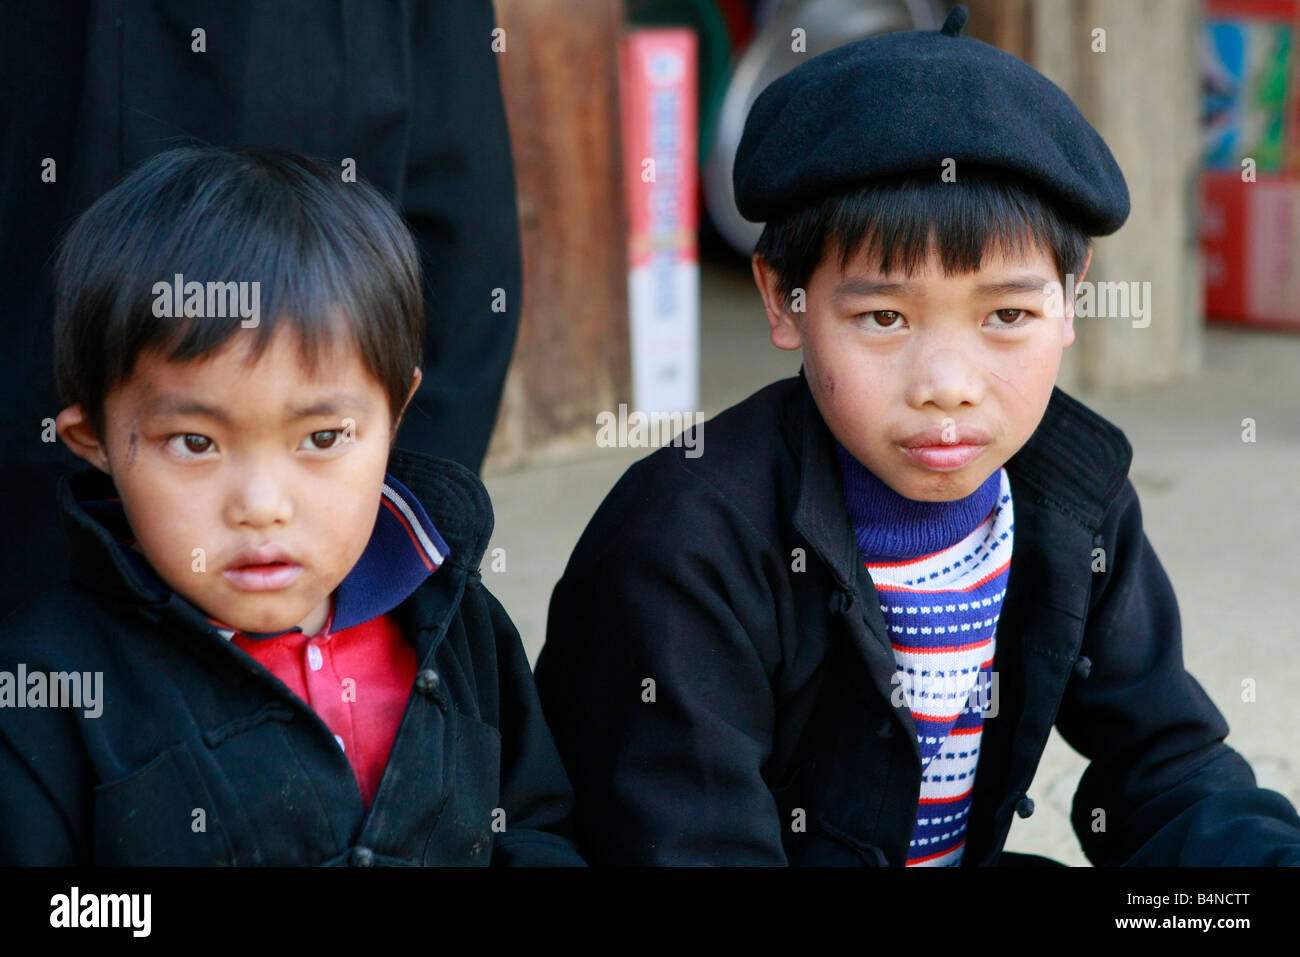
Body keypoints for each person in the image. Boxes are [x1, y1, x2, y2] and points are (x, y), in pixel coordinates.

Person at [533, 6, 1300, 866]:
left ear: (1072, 296)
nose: (947, 386)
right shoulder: (683, 545)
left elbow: (1169, 766)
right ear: (784, 297)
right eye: (884, 317)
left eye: (1007, 314)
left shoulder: (1071, 495)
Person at [0, 146, 582, 867]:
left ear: (395, 413)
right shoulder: (48, 686)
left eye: (323, 436)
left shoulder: (456, 622)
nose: (262, 505)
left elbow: (532, 826)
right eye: (193, 441)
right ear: (96, 442)